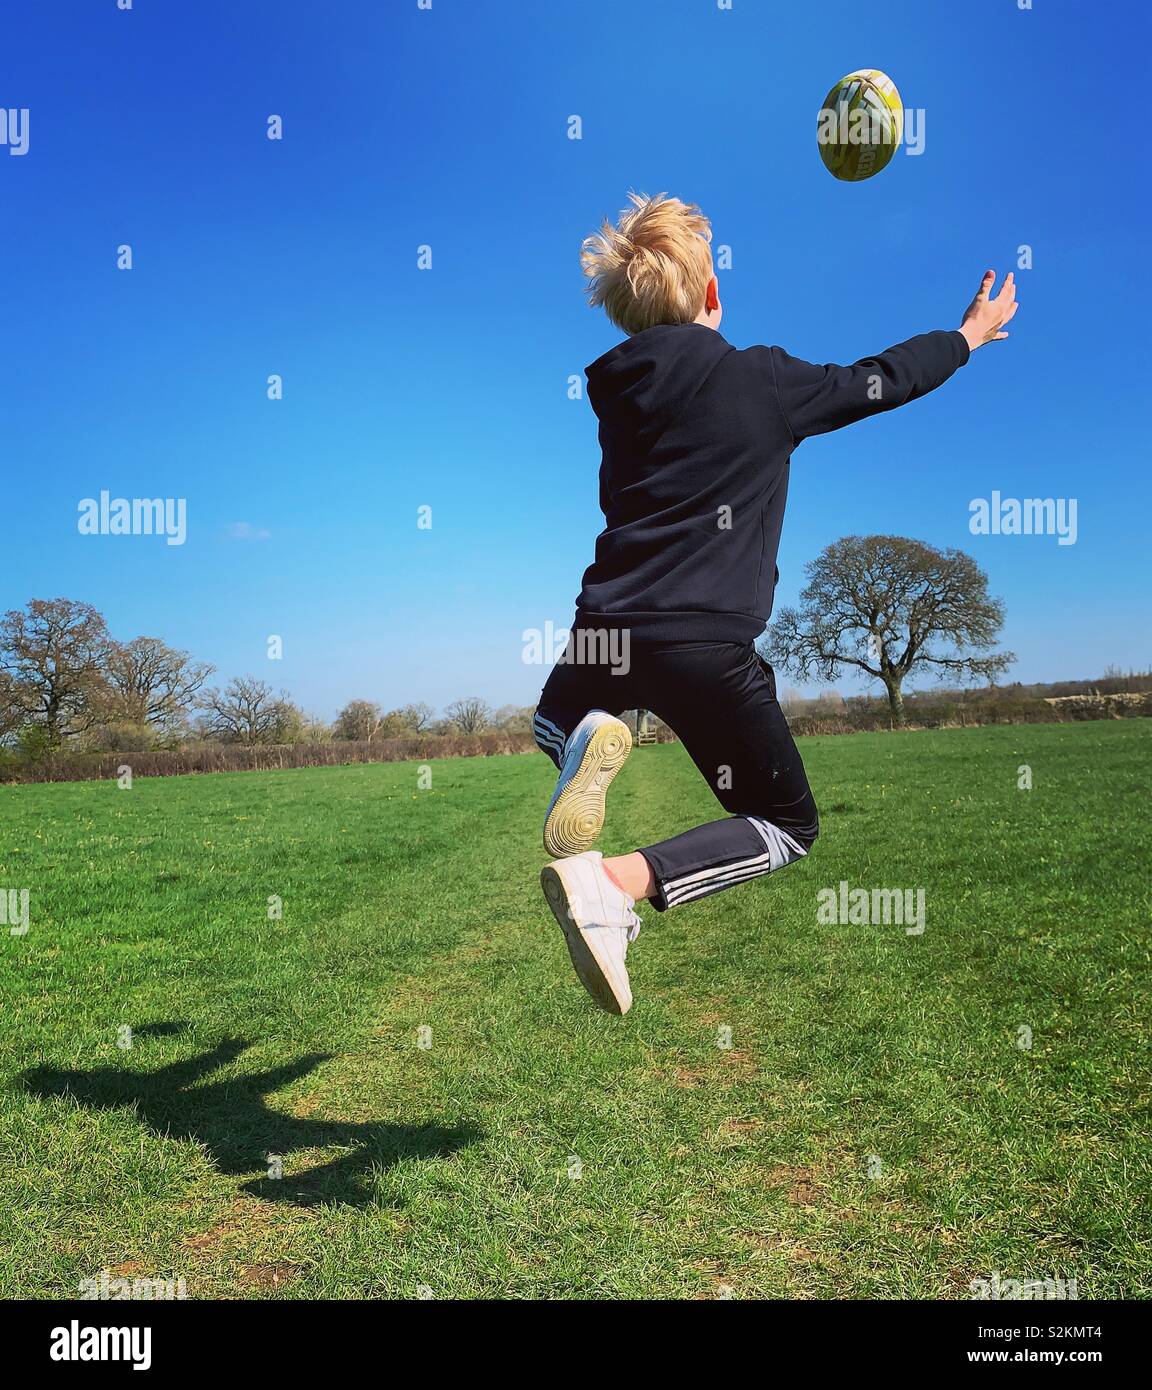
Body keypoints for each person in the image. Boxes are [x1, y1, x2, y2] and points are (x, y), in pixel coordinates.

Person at [535, 192, 1018, 1014]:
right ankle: (615, 884)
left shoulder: (616, 402)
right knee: (784, 824)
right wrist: (965, 338)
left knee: (552, 726)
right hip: (703, 642)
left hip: (604, 629)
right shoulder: (759, 378)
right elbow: (880, 380)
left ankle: (591, 735)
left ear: (622, 316)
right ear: (713, 295)